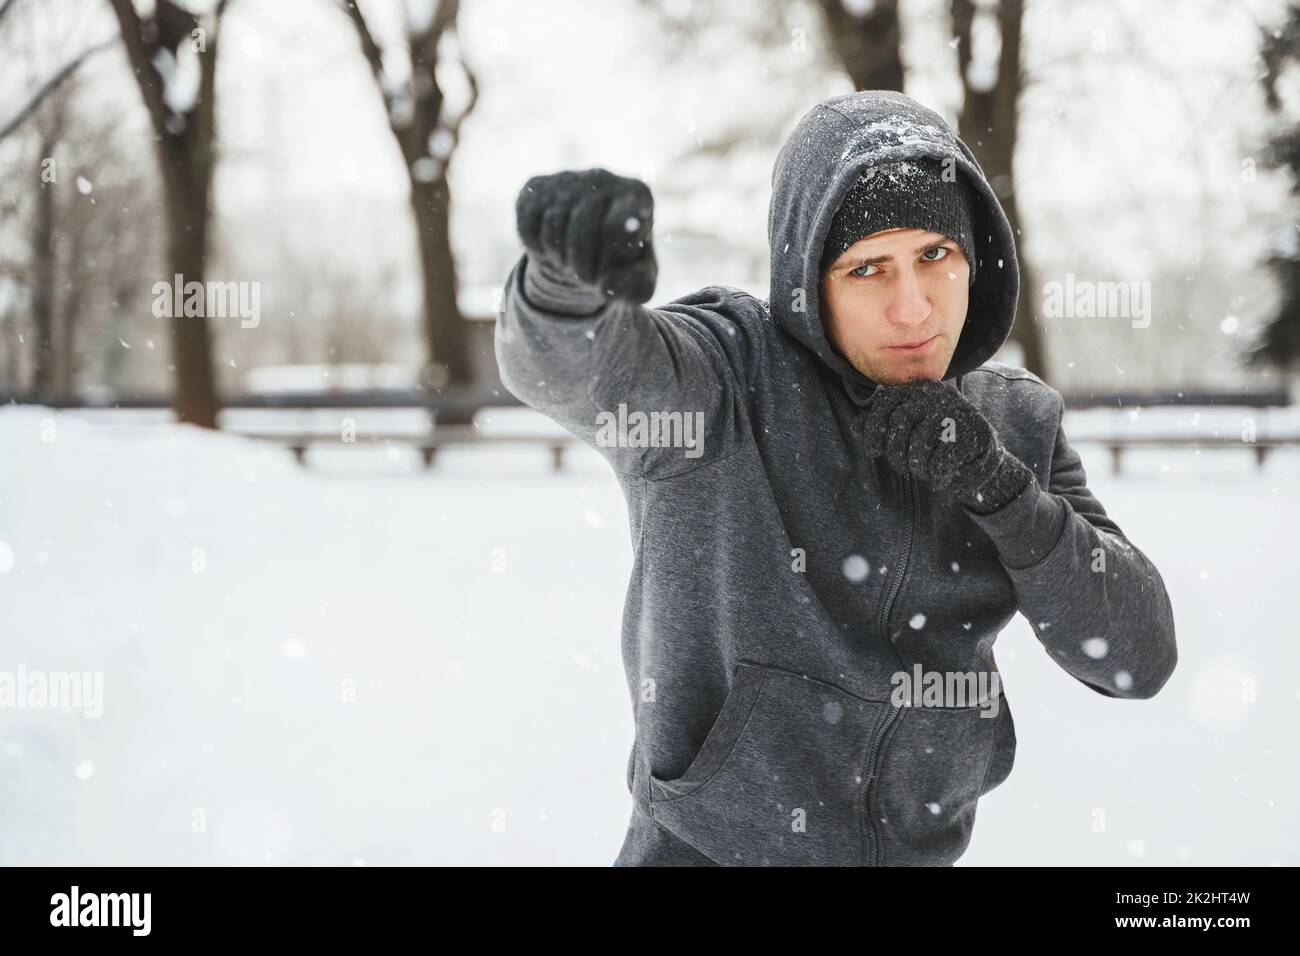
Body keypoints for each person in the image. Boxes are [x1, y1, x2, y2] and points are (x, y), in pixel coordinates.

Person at [496, 89, 1177, 867]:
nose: (913, 308)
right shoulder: (723, 382)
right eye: (867, 269)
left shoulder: (1014, 421)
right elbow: (573, 369)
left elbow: (1136, 657)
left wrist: (1004, 493)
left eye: (935, 256)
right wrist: (561, 287)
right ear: (807, 279)